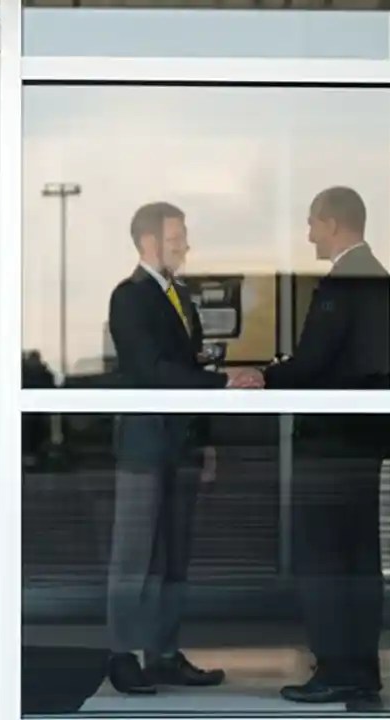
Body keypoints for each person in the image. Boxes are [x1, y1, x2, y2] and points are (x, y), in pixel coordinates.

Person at [103, 201, 261, 696]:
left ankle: (164, 654)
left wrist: (205, 437)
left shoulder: (179, 294)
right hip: (146, 443)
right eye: (177, 238)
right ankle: (124, 655)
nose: (185, 245)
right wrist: (218, 384)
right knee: (135, 556)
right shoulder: (128, 298)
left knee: (173, 556)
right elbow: (150, 370)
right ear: (149, 242)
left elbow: (181, 364)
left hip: (182, 442)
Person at [261, 186, 390, 704]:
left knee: (324, 559)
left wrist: (264, 378)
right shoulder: (379, 276)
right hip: (360, 443)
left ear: (334, 223)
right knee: (357, 557)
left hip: (333, 445)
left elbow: (315, 363)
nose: (309, 232)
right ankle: (359, 668)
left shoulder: (349, 280)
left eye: (313, 222)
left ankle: (338, 668)